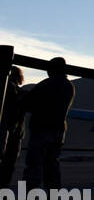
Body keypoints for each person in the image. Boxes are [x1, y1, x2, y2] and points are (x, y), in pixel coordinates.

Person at [22, 57, 76, 190]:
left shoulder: (46, 84)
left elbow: (29, 103)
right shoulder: (68, 86)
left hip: (41, 129)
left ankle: (30, 198)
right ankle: (52, 197)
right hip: (58, 130)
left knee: (34, 165)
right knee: (52, 165)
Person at [0, 67, 25, 187]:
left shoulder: (12, 91)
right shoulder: (19, 93)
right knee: (8, 167)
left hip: (10, 133)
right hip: (14, 135)